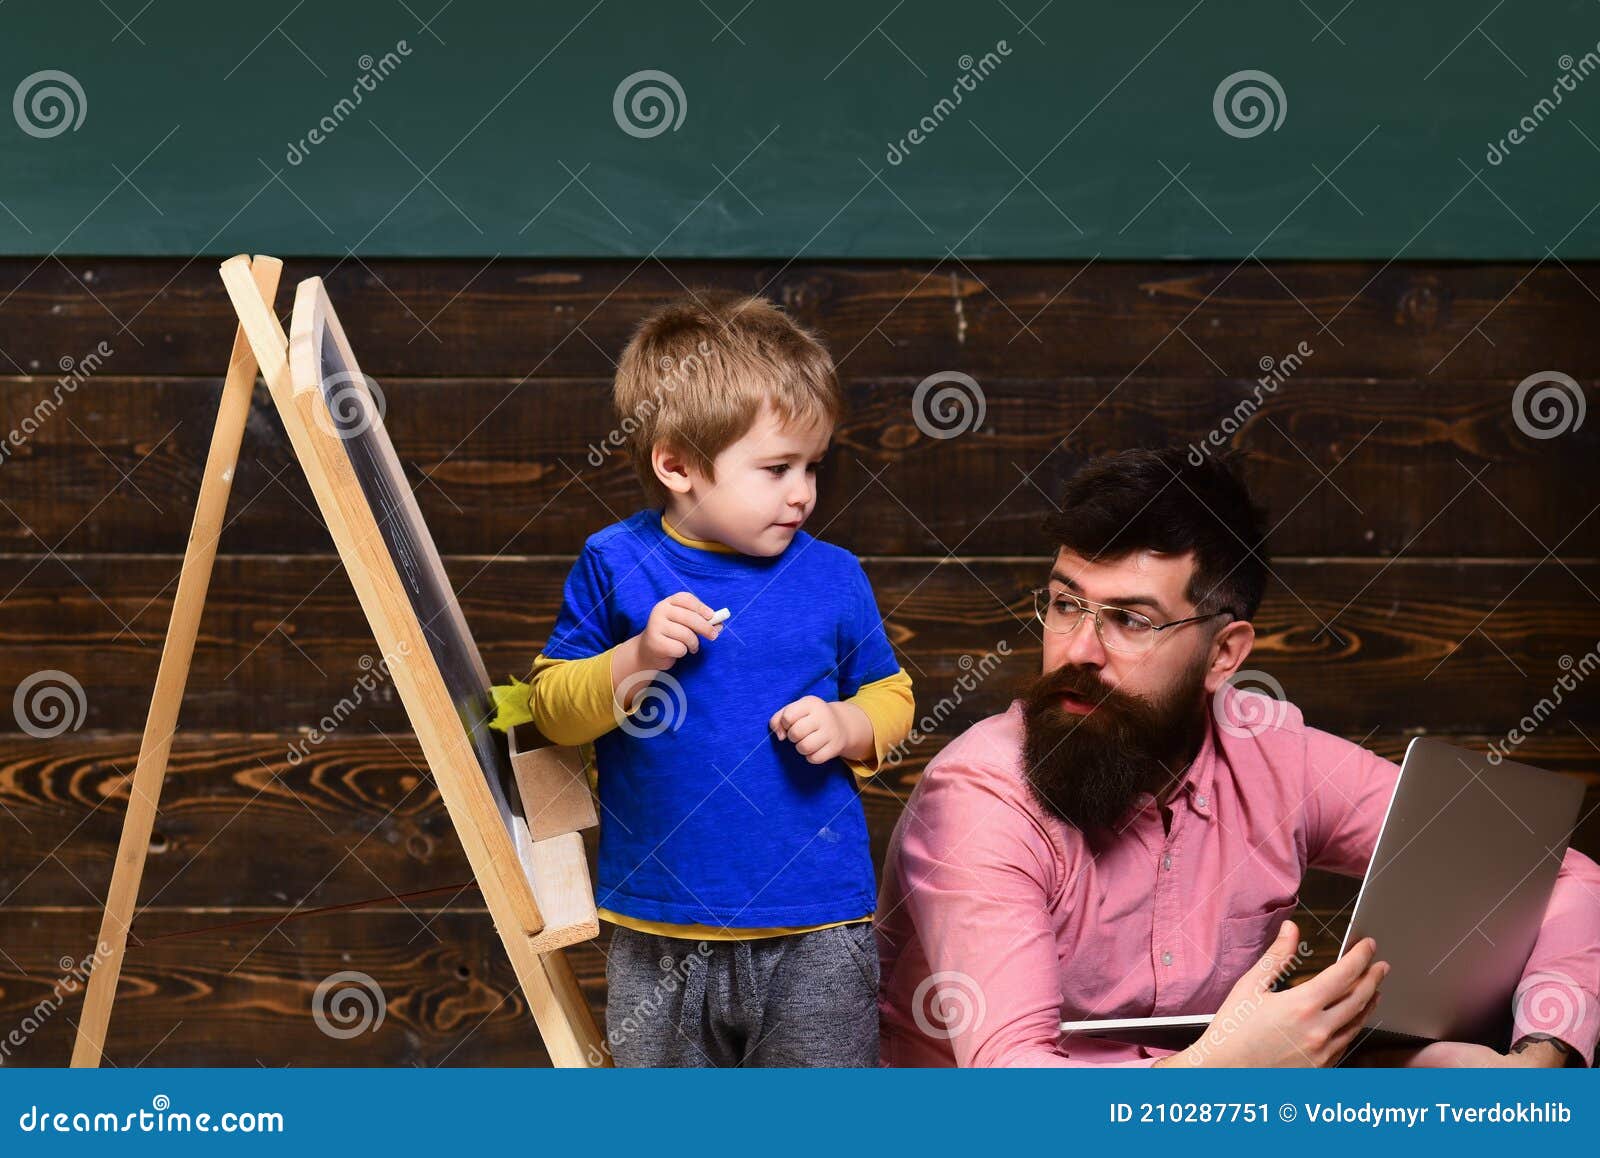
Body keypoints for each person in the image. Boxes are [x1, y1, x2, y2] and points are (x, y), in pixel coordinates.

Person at [876, 447, 1600, 1067]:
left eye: (1131, 620)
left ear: (1225, 653)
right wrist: (1229, 1071)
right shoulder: (979, 796)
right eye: (1066, 605)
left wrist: (1540, 1054)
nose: (1079, 651)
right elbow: (1013, 1089)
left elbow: (1561, 872)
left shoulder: (1270, 757)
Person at [522, 292, 912, 1066]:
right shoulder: (616, 562)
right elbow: (550, 710)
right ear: (676, 464)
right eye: (776, 468)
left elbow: (892, 695)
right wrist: (634, 660)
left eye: (811, 467)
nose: (802, 492)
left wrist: (849, 726)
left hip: (817, 927)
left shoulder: (834, 577)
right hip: (657, 925)